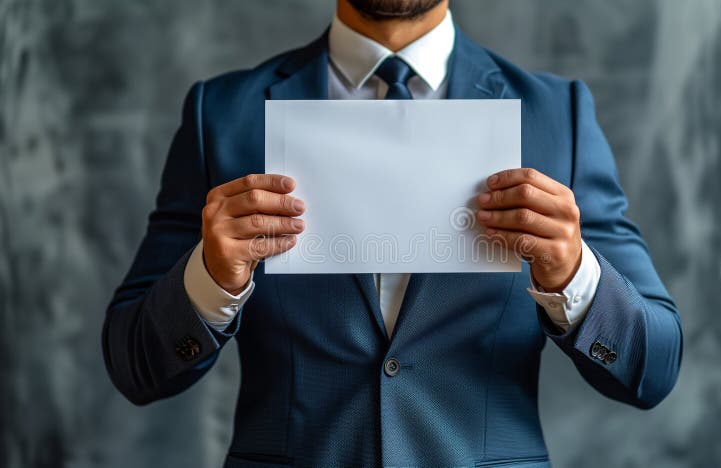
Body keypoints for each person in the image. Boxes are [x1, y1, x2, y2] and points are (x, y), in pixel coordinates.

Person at [102, 1, 683, 466]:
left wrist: (574, 274)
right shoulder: (223, 113)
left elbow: (652, 369)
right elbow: (134, 365)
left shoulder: (558, 116)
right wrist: (210, 277)